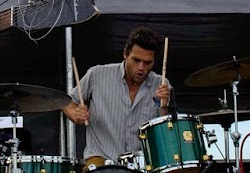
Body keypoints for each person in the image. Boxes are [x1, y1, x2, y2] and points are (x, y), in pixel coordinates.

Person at [61, 27, 173, 165]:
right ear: (125, 54)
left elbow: (166, 134)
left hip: (142, 164)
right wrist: (75, 114)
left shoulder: (161, 84)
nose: (141, 67)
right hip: (100, 159)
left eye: (147, 62)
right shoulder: (97, 75)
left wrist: (164, 107)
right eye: (136, 60)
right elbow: (67, 102)